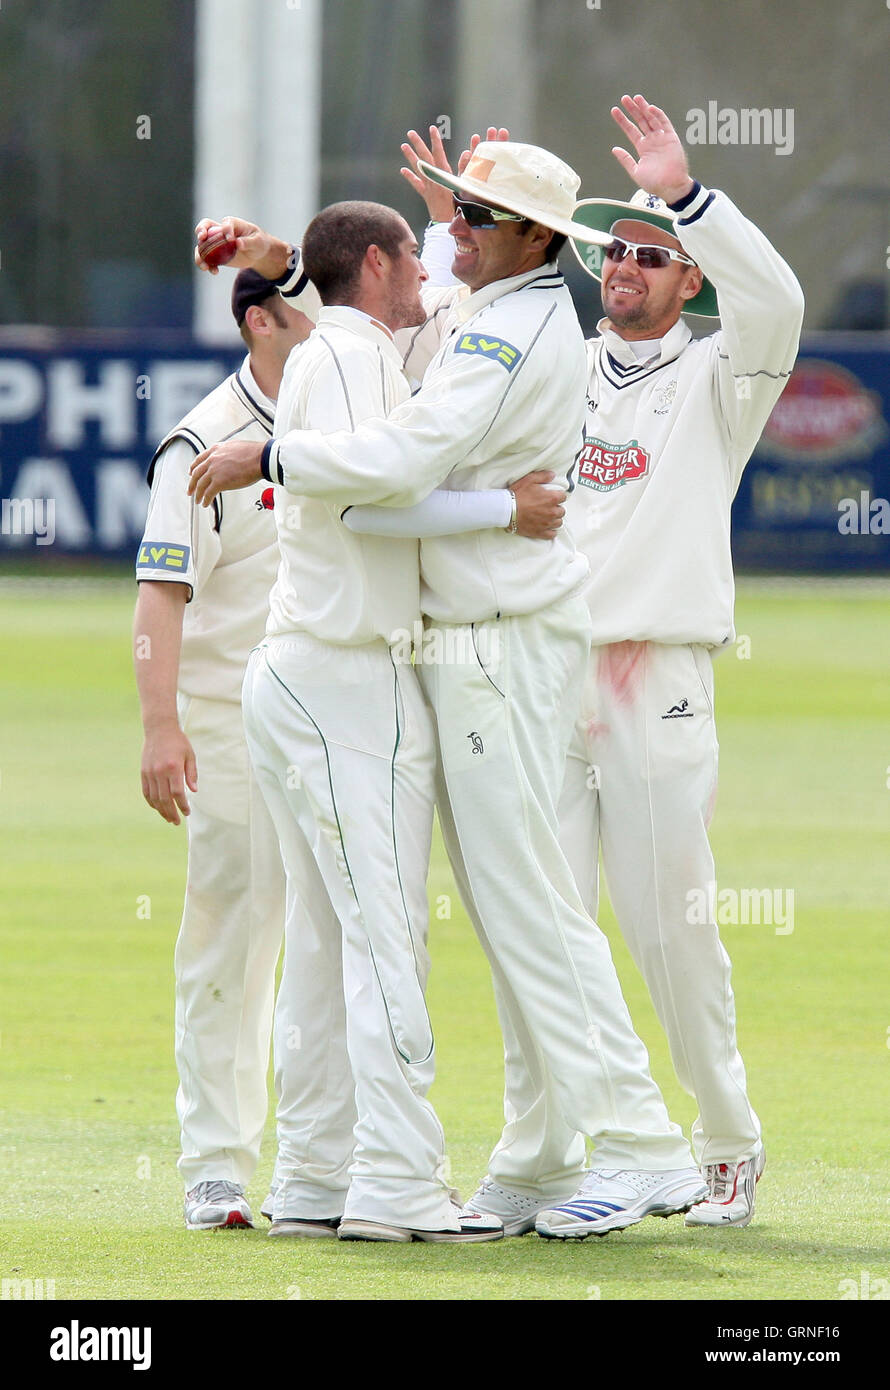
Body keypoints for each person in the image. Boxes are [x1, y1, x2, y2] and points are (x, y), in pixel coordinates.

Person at [188, 138, 710, 1242]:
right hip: (475, 638)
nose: (453, 232)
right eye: (455, 213)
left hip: (497, 639)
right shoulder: (503, 310)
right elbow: (387, 314)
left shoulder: (508, 329)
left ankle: (640, 1146)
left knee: (527, 903)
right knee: (512, 904)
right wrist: (294, 268)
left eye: (476, 218)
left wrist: (270, 456)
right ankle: (536, 1158)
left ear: (532, 241)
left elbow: (398, 458)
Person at [533, 94, 801, 1228]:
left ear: (690, 279)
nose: (626, 269)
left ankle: (725, 1141)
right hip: (540, 668)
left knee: (666, 924)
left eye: (653, 256)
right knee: (537, 919)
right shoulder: (554, 364)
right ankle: (564, 1148)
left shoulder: (718, 382)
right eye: (617, 253)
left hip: (656, 679)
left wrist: (692, 197)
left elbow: (777, 304)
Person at [133, 268, 315, 1230]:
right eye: (301, 312)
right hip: (229, 719)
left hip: (337, 713)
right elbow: (161, 593)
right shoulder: (198, 443)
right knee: (231, 936)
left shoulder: (344, 419)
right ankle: (216, 1165)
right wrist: (162, 726)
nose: (326, 325)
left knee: (346, 941)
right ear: (259, 323)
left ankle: (337, 1164)